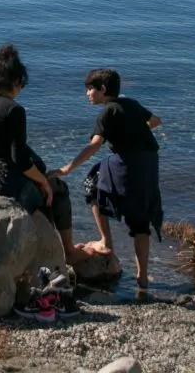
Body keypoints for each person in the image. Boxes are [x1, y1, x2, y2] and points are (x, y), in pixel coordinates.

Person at [0, 44, 90, 264]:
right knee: (57, 190)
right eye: (22, 84)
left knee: (44, 182)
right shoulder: (14, 110)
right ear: (16, 82)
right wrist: (43, 181)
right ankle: (67, 252)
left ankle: (51, 250)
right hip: (5, 186)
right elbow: (20, 160)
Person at [49, 68, 163, 289]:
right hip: (149, 165)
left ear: (102, 89)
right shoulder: (131, 103)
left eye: (90, 89)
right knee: (140, 221)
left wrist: (65, 169)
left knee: (91, 184)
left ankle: (106, 241)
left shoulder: (107, 112)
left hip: (127, 162)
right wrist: (134, 130)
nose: (87, 94)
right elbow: (156, 121)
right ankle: (142, 277)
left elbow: (94, 146)